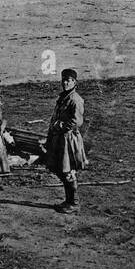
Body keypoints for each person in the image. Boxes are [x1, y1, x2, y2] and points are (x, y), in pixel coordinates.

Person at [44, 68, 87, 214]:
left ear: (75, 82)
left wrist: (59, 125)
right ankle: (69, 201)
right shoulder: (64, 97)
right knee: (61, 169)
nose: (65, 83)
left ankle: (74, 203)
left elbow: (76, 122)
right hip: (60, 139)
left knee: (68, 170)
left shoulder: (75, 99)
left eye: (68, 80)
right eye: (64, 80)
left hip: (69, 139)